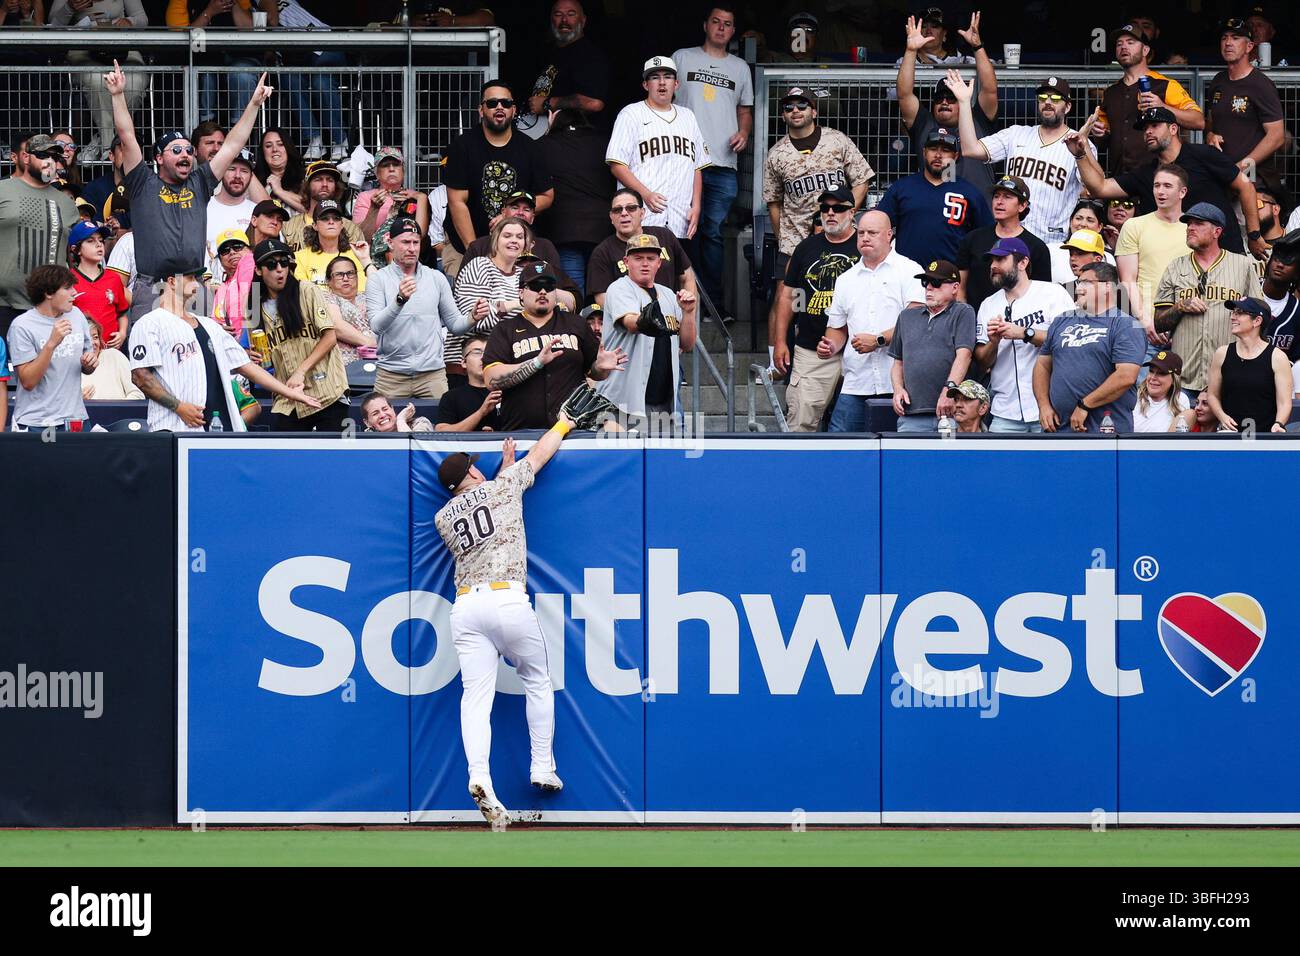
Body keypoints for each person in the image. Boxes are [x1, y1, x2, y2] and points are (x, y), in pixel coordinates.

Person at [433, 419, 577, 828]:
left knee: (475, 699)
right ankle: (541, 767)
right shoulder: (502, 486)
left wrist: (499, 476)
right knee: (536, 679)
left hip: (465, 607)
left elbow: (479, 509)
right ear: (473, 474)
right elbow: (540, 454)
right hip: (508, 599)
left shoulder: (443, 518)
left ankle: (479, 775)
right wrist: (564, 423)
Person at [108, 60, 272, 322]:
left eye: (188, 150)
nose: (185, 155)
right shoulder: (142, 182)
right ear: (159, 158)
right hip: (153, 288)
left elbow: (232, 146)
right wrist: (117, 95)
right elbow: (127, 135)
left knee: (203, 356)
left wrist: (253, 105)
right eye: (176, 150)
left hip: (195, 285)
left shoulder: (199, 182)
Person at [128, 264, 317, 432]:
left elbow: (247, 366)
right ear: (172, 281)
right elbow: (141, 377)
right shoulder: (149, 323)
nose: (197, 284)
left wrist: (289, 392)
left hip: (217, 427)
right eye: (191, 278)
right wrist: (178, 407)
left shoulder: (208, 325)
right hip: (171, 427)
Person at [1068, 107, 1266, 259]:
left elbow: (1245, 186)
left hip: (1224, 253)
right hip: (1176, 265)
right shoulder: (1146, 174)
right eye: (1145, 128)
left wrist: (1254, 235)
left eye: (1155, 126)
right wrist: (1080, 153)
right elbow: (1099, 187)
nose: (1148, 132)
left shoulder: (1203, 154)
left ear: (1173, 128)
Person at [672, 5, 754, 316]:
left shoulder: (739, 67)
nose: (721, 28)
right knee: (682, 228)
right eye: (716, 22)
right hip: (683, 161)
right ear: (705, 25)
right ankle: (681, 300)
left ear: (733, 31)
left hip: (722, 163)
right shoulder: (682, 57)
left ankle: (714, 305)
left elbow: (744, 111)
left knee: (713, 231)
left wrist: (744, 133)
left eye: (728, 24)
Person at [948, 71, 1094, 245]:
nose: (1047, 103)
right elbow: (970, 149)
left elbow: (1094, 189)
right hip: (1010, 238)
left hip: (1052, 242)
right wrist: (964, 103)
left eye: (1055, 98)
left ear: (1068, 107)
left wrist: (1083, 152)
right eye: (1042, 98)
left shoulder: (1079, 142)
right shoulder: (1016, 134)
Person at [483, 261, 625, 430]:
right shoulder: (505, 329)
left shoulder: (577, 324)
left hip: (574, 430)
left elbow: (595, 373)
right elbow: (491, 379)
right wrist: (536, 363)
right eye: (535, 286)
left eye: (549, 286)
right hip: (521, 431)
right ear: (520, 293)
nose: (543, 291)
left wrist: (601, 368)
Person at [820, 211, 924, 432]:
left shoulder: (911, 271)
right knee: (840, 451)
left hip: (901, 383)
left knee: (900, 453)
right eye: (861, 233)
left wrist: (878, 340)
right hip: (857, 381)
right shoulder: (845, 280)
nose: (865, 237)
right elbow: (837, 330)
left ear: (889, 235)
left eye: (872, 233)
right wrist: (830, 346)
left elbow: (916, 323)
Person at [1153, 202, 1263, 396]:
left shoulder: (1242, 265)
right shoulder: (1175, 267)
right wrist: (1180, 306)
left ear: (1217, 231)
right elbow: (1159, 324)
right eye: (1189, 224)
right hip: (1184, 376)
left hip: (1230, 374)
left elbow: (1260, 316)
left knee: (1228, 427)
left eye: (1198, 223)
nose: (1190, 228)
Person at [771, 187, 858, 431]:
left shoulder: (865, 246)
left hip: (860, 348)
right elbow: (788, 297)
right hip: (812, 348)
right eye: (825, 208)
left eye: (838, 208)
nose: (830, 213)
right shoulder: (805, 248)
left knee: (856, 427)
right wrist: (780, 341)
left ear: (853, 212)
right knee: (800, 421)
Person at [445, 81, 554, 268]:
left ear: (513, 110)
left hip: (516, 250)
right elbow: (457, 202)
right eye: (492, 103)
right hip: (464, 246)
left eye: (505, 103)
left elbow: (547, 196)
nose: (499, 107)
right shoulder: (462, 146)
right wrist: (476, 253)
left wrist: (512, 214)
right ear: (481, 110)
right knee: (470, 294)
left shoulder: (531, 148)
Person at [974, 237, 1076, 432]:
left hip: (1049, 407)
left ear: (1023, 263)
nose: (993, 266)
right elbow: (982, 362)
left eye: (1001, 259)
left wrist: (1025, 333)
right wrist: (993, 342)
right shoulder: (988, 304)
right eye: (992, 261)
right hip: (1005, 411)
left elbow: (1069, 342)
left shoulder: (1053, 293)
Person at [364, 218, 472, 399]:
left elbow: (454, 325)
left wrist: (472, 318)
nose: (412, 248)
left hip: (432, 374)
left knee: (441, 427)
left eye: (416, 242)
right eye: (405, 242)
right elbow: (376, 326)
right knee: (386, 427)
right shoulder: (378, 279)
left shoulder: (436, 278)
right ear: (390, 242)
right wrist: (399, 301)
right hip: (391, 375)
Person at [897, 12, 998, 200]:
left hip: (980, 212)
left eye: (951, 98)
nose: (944, 102)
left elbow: (990, 89)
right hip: (940, 212)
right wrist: (911, 51)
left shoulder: (978, 119)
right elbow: (904, 95)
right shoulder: (924, 124)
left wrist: (977, 46)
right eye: (939, 99)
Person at [1034, 261, 1145, 433]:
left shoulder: (1126, 324)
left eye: (1086, 282)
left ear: (1107, 287)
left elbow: (1126, 376)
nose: (1078, 288)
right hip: (1058, 429)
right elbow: (1042, 364)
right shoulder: (1061, 321)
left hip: (1105, 430)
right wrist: (1043, 406)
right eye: (1078, 282)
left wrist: (1085, 405)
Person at [762, 86, 873, 259]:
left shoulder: (837, 140)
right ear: (783, 116)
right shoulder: (776, 154)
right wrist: (783, 239)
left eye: (802, 106)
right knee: (785, 287)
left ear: (814, 112)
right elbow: (773, 202)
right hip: (795, 243)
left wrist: (842, 213)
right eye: (788, 108)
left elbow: (861, 181)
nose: (795, 110)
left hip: (839, 237)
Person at [251, 238, 350, 431]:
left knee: (331, 459)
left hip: (326, 391)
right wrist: (251, 356)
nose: (279, 269)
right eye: (271, 265)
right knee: (287, 460)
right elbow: (262, 357)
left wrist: (301, 371)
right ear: (258, 270)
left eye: (284, 263)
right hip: (288, 399)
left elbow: (330, 337)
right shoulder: (253, 304)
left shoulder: (306, 290)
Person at [597, 233, 693, 431]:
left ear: (659, 262)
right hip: (621, 403)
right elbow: (631, 323)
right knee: (623, 461)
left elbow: (687, 344)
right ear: (626, 262)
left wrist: (689, 313)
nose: (645, 264)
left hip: (662, 404)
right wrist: (644, 320)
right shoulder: (619, 288)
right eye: (638, 258)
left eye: (650, 258)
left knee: (664, 462)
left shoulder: (668, 294)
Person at [606, 57, 707, 242]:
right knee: (644, 268)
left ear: (676, 84)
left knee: (676, 270)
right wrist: (645, 194)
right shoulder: (631, 114)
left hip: (680, 217)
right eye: (655, 77)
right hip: (643, 218)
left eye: (667, 77)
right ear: (645, 85)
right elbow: (616, 165)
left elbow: (697, 166)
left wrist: (696, 206)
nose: (662, 82)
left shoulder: (688, 117)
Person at [1092, 22, 1204, 177]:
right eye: (1119, 44)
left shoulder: (1165, 85)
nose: (1124, 47)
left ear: (1145, 50)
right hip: (1120, 181)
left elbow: (1199, 121)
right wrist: (1100, 134)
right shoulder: (1111, 93)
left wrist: (1163, 106)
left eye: (1130, 43)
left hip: (1158, 181)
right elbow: (1103, 141)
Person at [51, 0, 149, 165]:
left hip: (121, 46)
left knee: (135, 79)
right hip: (83, 47)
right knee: (97, 80)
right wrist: (69, 8)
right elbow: (54, 26)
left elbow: (142, 19)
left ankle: (103, 140)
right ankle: (109, 148)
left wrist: (129, 22)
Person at [876, 127, 992, 266]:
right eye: (933, 149)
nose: (938, 155)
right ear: (924, 152)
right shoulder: (901, 188)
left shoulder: (970, 192)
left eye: (945, 150)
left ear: (955, 156)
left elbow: (986, 236)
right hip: (907, 276)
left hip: (951, 278)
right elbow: (878, 227)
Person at [0, 134, 79, 337]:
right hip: (4, 306)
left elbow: (73, 254)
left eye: (54, 157)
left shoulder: (67, 204)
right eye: (43, 155)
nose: (50, 162)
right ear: (25, 158)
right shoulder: (3, 190)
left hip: (50, 309)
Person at [533, 108, 614, 299]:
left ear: (554, 120)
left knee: (574, 290)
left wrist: (548, 131)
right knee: (603, 289)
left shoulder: (544, 145)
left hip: (564, 229)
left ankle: (576, 327)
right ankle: (600, 327)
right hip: (602, 228)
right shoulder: (604, 143)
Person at [7, 265, 98, 431]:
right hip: (36, 423)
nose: (74, 292)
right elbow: (28, 381)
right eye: (67, 288)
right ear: (48, 293)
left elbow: (88, 363)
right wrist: (51, 344)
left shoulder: (77, 315)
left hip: (76, 420)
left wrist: (89, 363)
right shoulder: (21, 326)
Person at [889, 259, 976, 432]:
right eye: (925, 282)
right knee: (910, 459)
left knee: (948, 458)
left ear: (955, 287)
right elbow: (898, 362)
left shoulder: (963, 312)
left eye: (936, 283)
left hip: (949, 412)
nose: (929, 287)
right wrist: (897, 389)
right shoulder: (906, 317)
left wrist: (948, 391)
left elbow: (964, 355)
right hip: (911, 412)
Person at [1205, 17, 1285, 193]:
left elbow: (1277, 136)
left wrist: (1242, 166)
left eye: (1235, 38)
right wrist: (1210, 134)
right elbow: (1210, 122)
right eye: (1224, 38)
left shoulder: (1260, 84)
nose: (1228, 43)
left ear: (1249, 47)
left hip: (1253, 176)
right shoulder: (1218, 81)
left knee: (1246, 220)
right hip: (1221, 175)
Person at [451, 216, 531, 389]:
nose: (514, 241)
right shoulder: (480, 265)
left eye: (519, 237)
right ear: (496, 239)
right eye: (507, 235)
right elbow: (472, 321)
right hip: (466, 368)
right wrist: (514, 304)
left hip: (504, 365)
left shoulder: (523, 275)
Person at [956, 175, 1052, 314]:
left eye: (1007, 197)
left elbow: (1042, 295)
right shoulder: (972, 239)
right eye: (996, 196)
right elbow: (960, 289)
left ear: (1022, 205)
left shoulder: (1037, 247)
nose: (999, 202)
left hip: (1020, 325)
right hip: (976, 323)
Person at [1115, 163, 1189, 341]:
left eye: (1167, 186)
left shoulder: (1194, 228)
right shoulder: (1134, 225)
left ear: (1182, 192)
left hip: (1188, 325)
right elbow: (1128, 281)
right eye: (1157, 185)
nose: (1160, 191)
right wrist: (1146, 321)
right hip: (1145, 325)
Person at [587, 188, 696, 306]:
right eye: (617, 210)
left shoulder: (665, 236)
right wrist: (634, 319)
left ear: (642, 213)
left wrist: (688, 311)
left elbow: (688, 277)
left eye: (631, 208)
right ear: (611, 217)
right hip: (629, 320)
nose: (624, 213)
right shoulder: (602, 252)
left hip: (671, 318)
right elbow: (602, 298)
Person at [462, 190, 580, 300]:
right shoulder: (478, 246)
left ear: (532, 218)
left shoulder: (545, 246)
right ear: (503, 212)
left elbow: (560, 286)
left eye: (527, 210)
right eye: (515, 207)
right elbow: (464, 289)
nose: (520, 213)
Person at [521, 0, 611, 137]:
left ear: (583, 20)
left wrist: (547, 103)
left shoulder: (589, 55)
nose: (564, 20)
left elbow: (594, 103)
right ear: (551, 20)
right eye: (558, 15)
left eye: (571, 14)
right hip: (545, 138)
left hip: (575, 142)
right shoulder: (549, 54)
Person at [1208, 297, 1292, 433]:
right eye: (1233, 312)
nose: (1233, 317)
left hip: (1264, 436)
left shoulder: (1277, 357)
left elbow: (1284, 402)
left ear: (1257, 321)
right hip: (1230, 435)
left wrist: (1279, 423)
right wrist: (1222, 417)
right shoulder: (1221, 353)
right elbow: (1212, 395)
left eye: (1239, 313)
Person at [68, 220, 128, 349]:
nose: (98, 245)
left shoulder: (113, 278)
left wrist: (122, 333)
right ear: (76, 249)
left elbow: (122, 314)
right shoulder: (67, 280)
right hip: (81, 352)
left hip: (110, 350)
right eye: (90, 241)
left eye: (100, 240)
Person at [293, 199, 373, 292]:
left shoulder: (357, 254)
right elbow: (305, 294)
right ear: (315, 225)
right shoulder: (300, 257)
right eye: (325, 218)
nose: (331, 222)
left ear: (342, 225)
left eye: (336, 218)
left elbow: (363, 290)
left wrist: (365, 260)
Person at [283, 160, 364, 250]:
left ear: (336, 186)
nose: (325, 184)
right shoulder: (289, 226)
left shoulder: (351, 228)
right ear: (307, 185)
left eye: (330, 180)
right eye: (318, 179)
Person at [353, 147, 430, 242]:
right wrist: (374, 209)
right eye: (385, 165)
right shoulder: (365, 197)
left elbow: (420, 234)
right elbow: (361, 238)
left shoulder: (417, 197)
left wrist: (422, 198)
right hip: (373, 254)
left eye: (396, 165)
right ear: (376, 173)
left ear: (403, 170)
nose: (391, 169)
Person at [204, 148, 256, 278]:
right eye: (232, 169)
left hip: (252, 287)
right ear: (221, 171)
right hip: (209, 288)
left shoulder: (258, 212)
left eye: (244, 171)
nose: (237, 176)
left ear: (251, 176)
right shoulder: (202, 207)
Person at [434, 333, 503, 432]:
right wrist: (481, 412)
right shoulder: (451, 397)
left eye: (488, 353)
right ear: (464, 362)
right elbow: (441, 431)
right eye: (477, 352)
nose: (484, 358)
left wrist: (496, 434)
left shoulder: (507, 394)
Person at [322, 254, 375, 367]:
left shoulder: (367, 296)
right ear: (328, 281)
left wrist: (366, 260)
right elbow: (336, 326)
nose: (346, 278)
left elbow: (379, 285)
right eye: (339, 275)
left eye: (350, 273)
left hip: (380, 361)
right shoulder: (326, 298)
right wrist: (370, 343)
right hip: (347, 366)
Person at [1050, 201, 1117, 284]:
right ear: (1070, 222)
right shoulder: (1051, 250)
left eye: (1090, 220)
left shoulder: (1108, 257)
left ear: (1100, 227)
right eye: (1078, 218)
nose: (1083, 224)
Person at [1260, 233, 1300, 368]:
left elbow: (1296, 359)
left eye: (1288, 262)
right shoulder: (1247, 293)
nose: (1280, 265)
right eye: (1276, 259)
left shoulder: (1297, 310)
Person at [81, 317, 143, 401]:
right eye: (86, 339)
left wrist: (117, 410)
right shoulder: (70, 366)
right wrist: (79, 401)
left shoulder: (114, 356)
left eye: (95, 337)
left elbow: (137, 394)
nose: (92, 343)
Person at [1133, 349, 1193, 432]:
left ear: (1174, 379)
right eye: (1151, 371)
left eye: (1161, 373)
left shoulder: (1181, 399)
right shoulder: (1134, 396)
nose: (1153, 377)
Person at [254, 127, 307, 215]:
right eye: (268, 146)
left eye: (280, 144)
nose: (274, 149)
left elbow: (312, 210)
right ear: (263, 152)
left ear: (288, 147)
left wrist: (279, 191)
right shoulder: (255, 181)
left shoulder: (305, 177)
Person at [361, 392, 433, 433]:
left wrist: (401, 420)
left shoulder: (420, 423)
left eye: (385, 409)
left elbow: (415, 448)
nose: (382, 415)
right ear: (367, 423)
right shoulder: (368, 435)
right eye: (375, 413)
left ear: (392, 409)